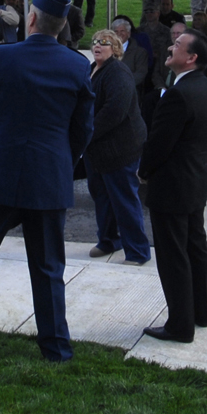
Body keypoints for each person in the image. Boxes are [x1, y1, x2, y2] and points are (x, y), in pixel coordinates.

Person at [0, 0, 95, 362]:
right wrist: (63, 160)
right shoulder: (78, 65)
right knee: (48, 266)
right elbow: (84, 130)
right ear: (61, 26)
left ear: (30, 19)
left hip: (2, 171)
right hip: (49, 175)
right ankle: (55, 347)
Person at [139, 28, 207, 340]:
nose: (171, 47)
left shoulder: (178, 94)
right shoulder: (206, 88)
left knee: (174, 256)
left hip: (172, 186)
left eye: (178, 45)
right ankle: (200, 312)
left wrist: (144, 171)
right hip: (196, 181)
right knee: (196, 248)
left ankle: (180, 325)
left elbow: (159, 144)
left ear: (192, 58)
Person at [84, 27, 151, 265]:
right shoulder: (92, 70)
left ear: (115, 48)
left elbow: (115, 110)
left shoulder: (118, 72)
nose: (97, 45)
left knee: (124, 199)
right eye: (94, 42)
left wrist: (86, 132)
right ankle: (109, 241)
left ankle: (138, 251)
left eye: (104, 42)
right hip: (97, 151)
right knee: (102, 197)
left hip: (120, 150)